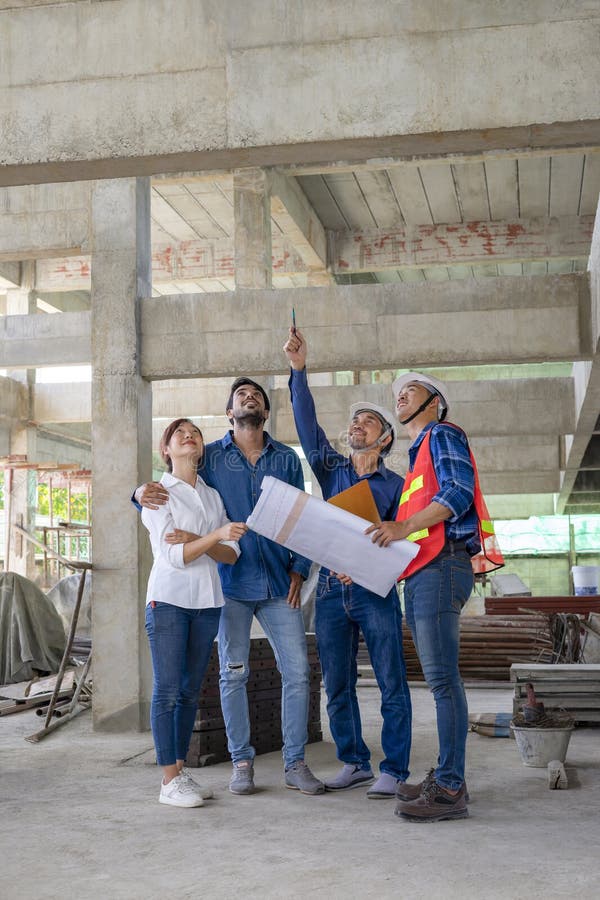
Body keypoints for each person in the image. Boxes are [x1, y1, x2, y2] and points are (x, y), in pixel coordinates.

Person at [135, 378, 324, 797]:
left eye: (255, 395)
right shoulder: (211, 458)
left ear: (266, 412)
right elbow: (170, 481)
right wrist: (137, 494)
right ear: (229, 413)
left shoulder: (287, 460)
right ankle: (242, 763)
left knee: (297, 672)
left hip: (279, 583)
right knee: (232, 674)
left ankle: (295, 763)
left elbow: (302, 518)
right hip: (230, 587)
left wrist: (300, 569)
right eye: (241, 396)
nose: (249, 398)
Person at [366, 372, 502, 823]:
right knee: (442, 681)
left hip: (442, 568)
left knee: (444, 682)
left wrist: (402, 527)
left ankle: (449, 787)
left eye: (411, 389)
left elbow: (458, 493)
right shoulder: (418, 457)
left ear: (435, 403)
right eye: (397, 393)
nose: (400, 394)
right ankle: (447, 775)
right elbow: (412, 533)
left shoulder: (441, 434)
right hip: (428, 569)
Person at [283, 328, 412, 798]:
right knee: (336, 683)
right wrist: (299, 370)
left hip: (375, 592)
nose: (356, 424)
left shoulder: (397, 486)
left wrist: (364, 560)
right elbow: (305, 424)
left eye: (368, 421)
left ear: (384, 439)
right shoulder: (330, 469)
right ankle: (355, 761)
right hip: (333, 593)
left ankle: (394, 769)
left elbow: (404, 541)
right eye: (354, 419)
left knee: (391, 681)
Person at [142, 418, 247, 808]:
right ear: (166, 449)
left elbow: (231, 555)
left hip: (206, 603)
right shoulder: (156, 494)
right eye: (179, 433)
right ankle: (167, 780)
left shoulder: (211, 495)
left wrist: (199, 540)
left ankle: (180, 771)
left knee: (189, 692)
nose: (190, 436)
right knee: (167, 690)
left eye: (195, 433)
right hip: (169, 601)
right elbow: (175, 556)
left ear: (201, 448)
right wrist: (213, 537)